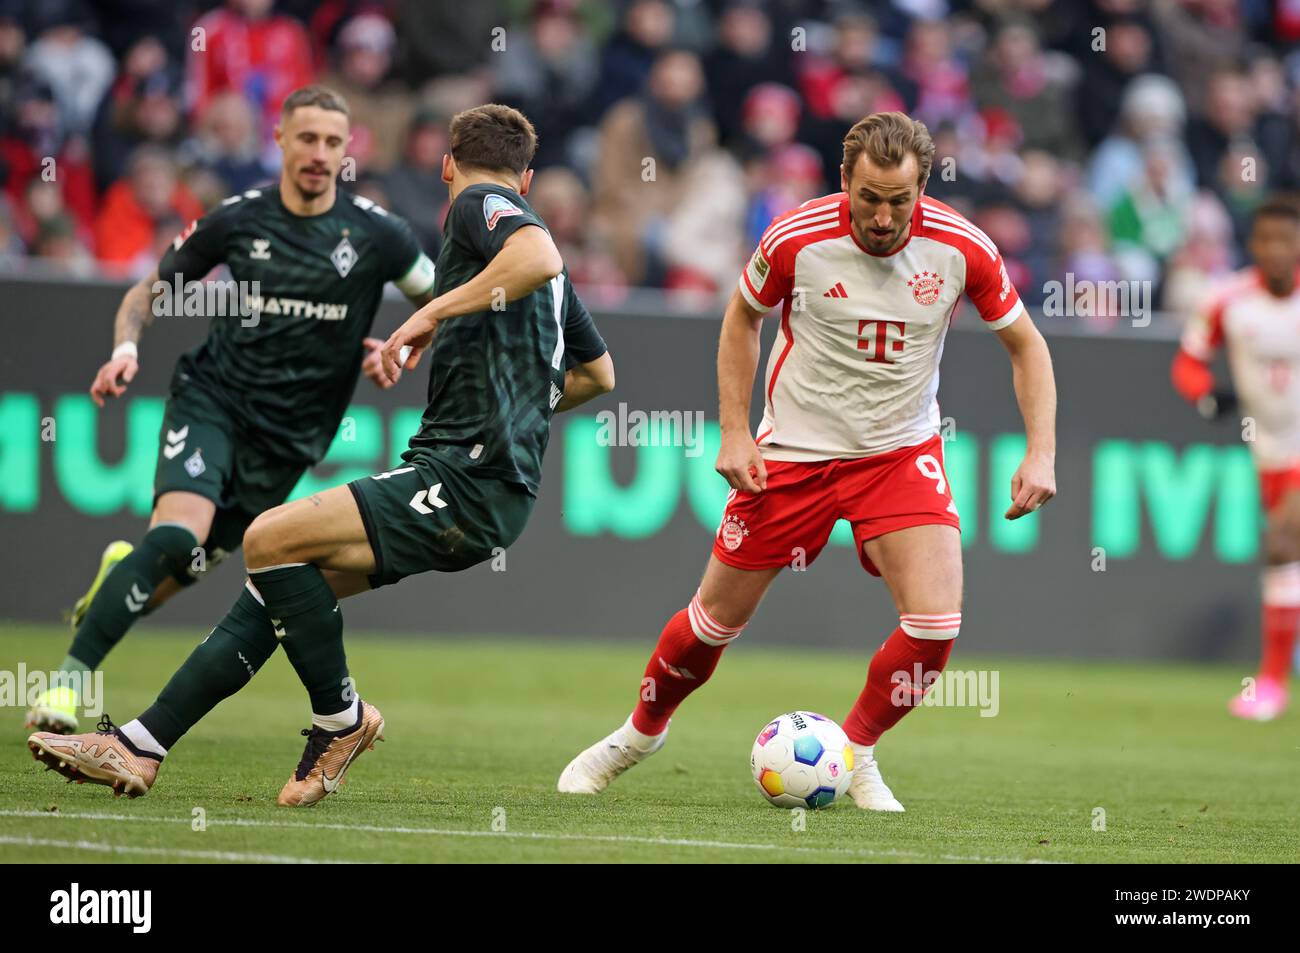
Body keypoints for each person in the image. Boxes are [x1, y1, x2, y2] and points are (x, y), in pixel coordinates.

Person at [27, 104, 616, 808]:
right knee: (275, 587)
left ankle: (341, 717)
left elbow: (537, 254)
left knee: (266, 538)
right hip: (488, 487)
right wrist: (519, 407)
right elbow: (598, 374)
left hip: (465, 474)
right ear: (530, 175)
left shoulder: (475, 206)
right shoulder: (534, 261)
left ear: (447, 164)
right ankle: (139, 745)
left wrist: (427, 314)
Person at [558, 112, 1057, 811]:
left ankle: (854, 753)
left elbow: (1027, 345)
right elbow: (740, 317)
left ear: (922, 189)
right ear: (845, 180)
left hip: (899, 451)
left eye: (900, 200)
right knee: (711, 624)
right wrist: (735, 432)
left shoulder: (962, 248)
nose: (884, 217)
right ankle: (638, 734)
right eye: (870, 198)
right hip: (794, 451)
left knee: (936, 626)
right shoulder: (797, 236)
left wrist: (1041, 451)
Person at [25, 86, 438, 734]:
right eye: (307, 138)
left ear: (347, 150)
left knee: (176, 572)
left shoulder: (379, 234)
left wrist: (401, 345)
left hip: (287, 445)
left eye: (333, 142)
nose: (319, 154)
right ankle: (66, 686)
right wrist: (126, 347)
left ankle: (117, 577)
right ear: (279, 138)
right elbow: (152, 289)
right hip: (214, 401)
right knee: (175, 536)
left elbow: (440, 302)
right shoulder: (239, 218)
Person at [1172, 197, 1300, 721]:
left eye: (1286, 240)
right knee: (1284, 557)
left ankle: (1271, 682)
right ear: (1252, 244)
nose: (1276, 249)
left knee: (1282, 542)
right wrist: (1206, 394)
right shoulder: (1227, 299)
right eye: (1266, 239)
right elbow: (1188, 363)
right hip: (1268, 449)